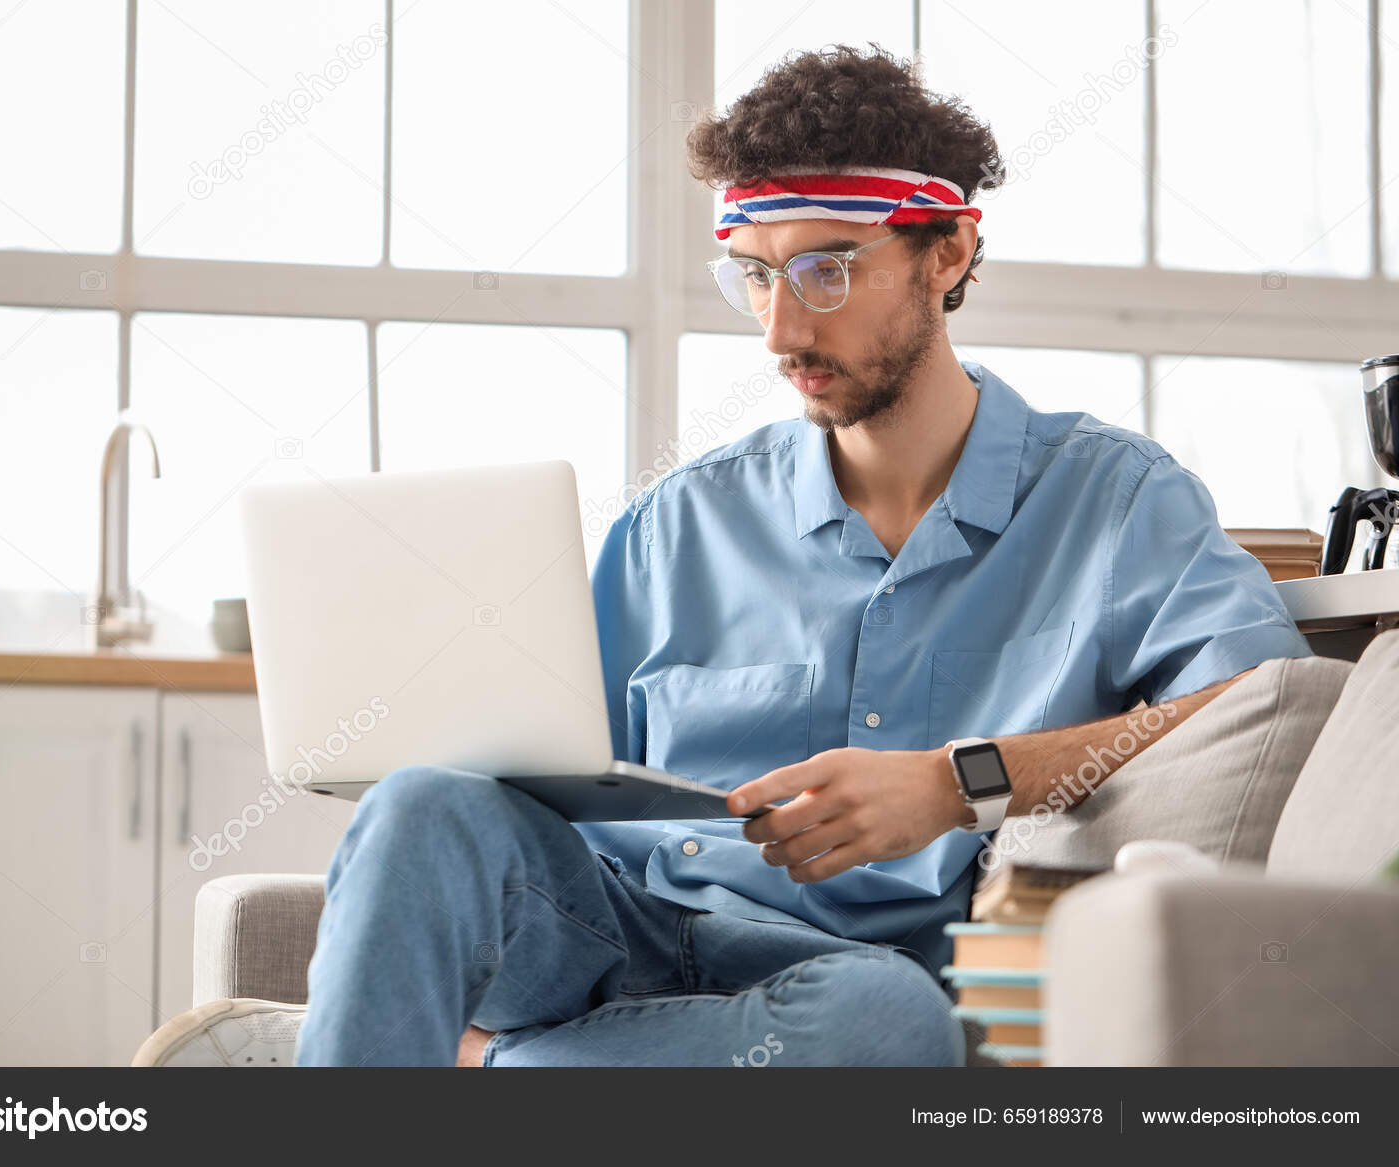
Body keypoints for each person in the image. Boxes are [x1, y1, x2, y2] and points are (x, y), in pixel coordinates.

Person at [148, 44, 1310, 1069]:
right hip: (623, 935)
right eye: (754, 273)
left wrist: (958, 781)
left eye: (825, 268)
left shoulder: (1112, 502)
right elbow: (539, 782)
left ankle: (474, 1071)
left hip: (850, 990)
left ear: (947, 250)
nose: (779, 329)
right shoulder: (676, 524)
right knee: (421, 807)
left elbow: (1264, 699)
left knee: (886, 1028)